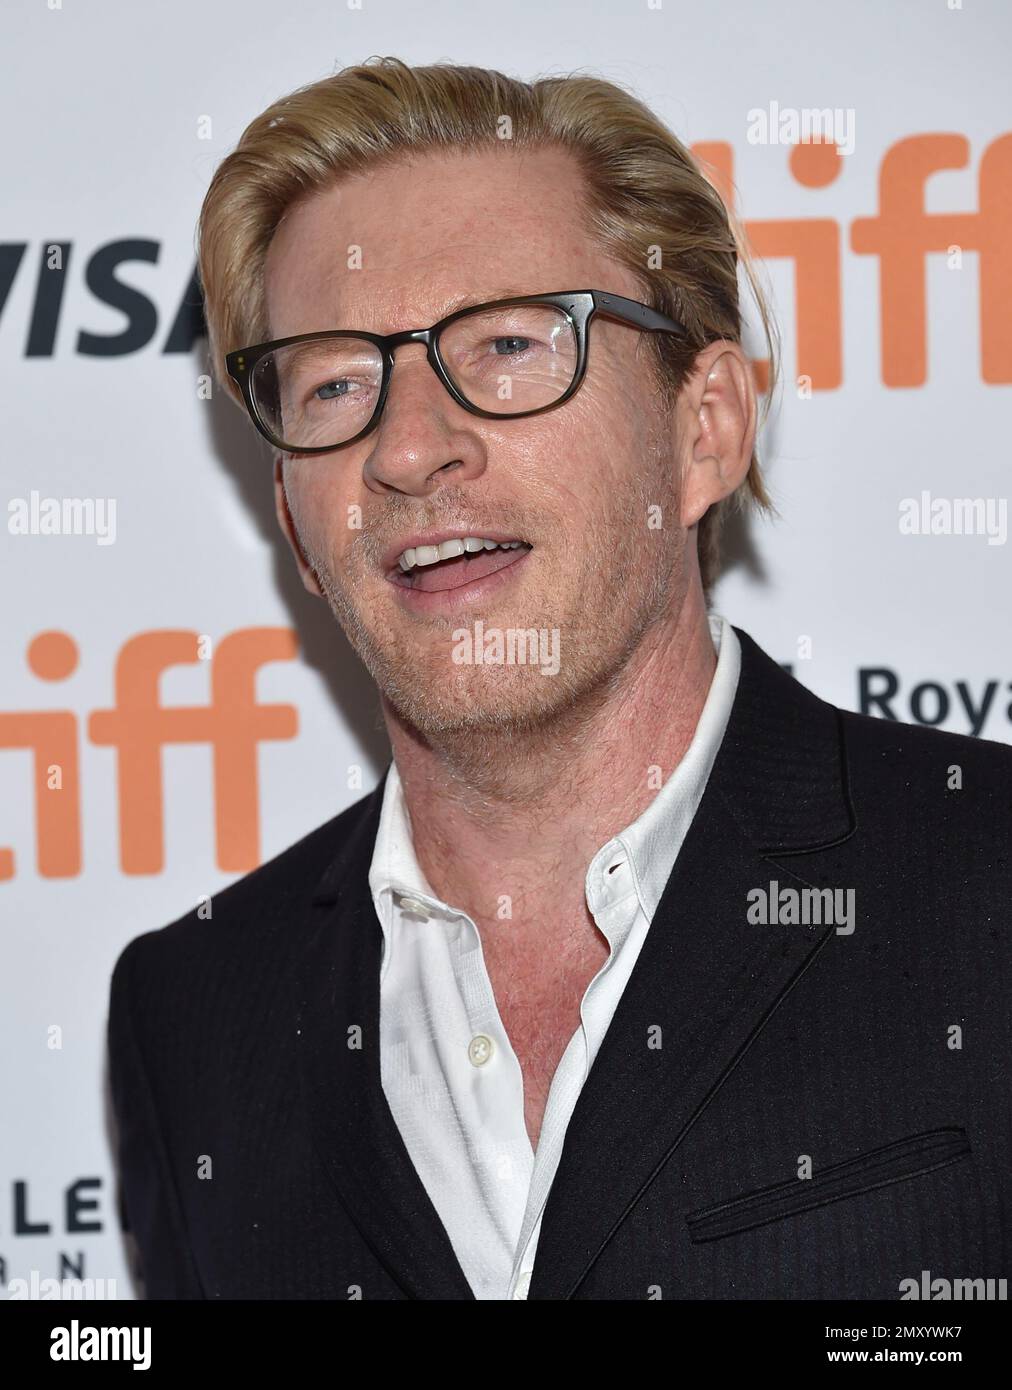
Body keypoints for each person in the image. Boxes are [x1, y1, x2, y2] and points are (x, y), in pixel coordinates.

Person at [107, 56, 1011, 1301]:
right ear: (292, 518)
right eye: (336, 382)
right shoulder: (192, 1011)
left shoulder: (985, 878)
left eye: (513, 345)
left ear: (705, 428)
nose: (411, 446)